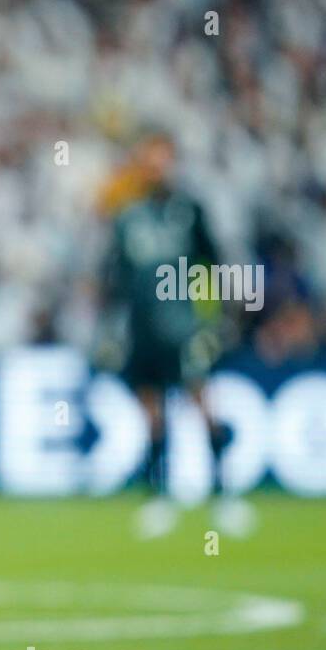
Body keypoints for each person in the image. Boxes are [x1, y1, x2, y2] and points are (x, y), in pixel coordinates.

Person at [100, 130, 254, 539]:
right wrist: (113, 327)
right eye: (150, 159)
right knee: (152, 415)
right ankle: (158, 497)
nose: (157, 167)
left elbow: (213, 265)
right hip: (142, 328)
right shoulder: (128, 216)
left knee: (202, 404)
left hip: (184, 326)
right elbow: (115, 276)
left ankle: (223, 494)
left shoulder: (190, 211)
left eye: (163, 159)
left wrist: (214, 319)